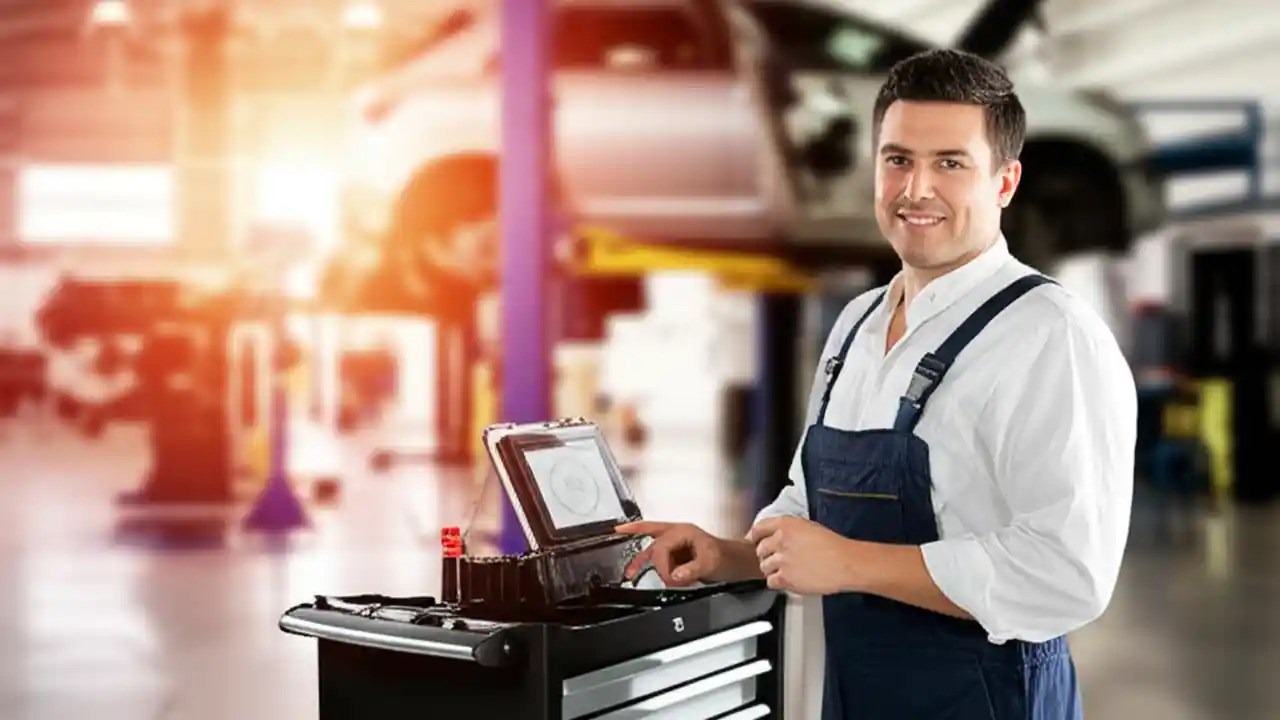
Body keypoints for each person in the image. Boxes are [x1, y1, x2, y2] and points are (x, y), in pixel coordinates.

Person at [617, 49, 1136, 719]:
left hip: (991, 700)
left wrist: (853, 564)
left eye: (950, 163)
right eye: (898, 159)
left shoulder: (1050, 337)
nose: (916, 189)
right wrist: (731, 556)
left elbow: (1068, 574)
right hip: (860, 696)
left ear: (1005, 183)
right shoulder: (858, 323)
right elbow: (813, 512)